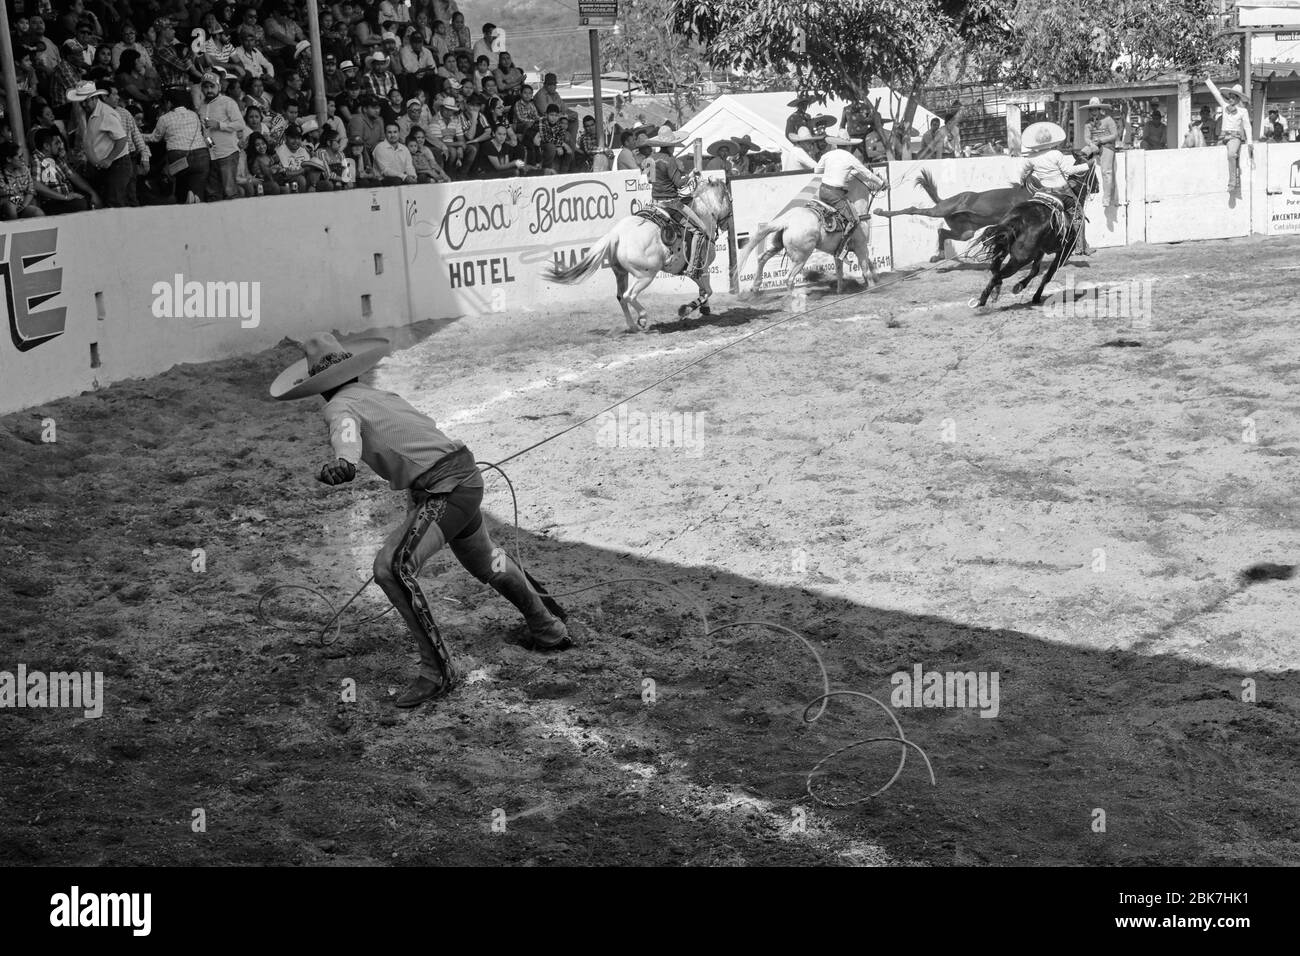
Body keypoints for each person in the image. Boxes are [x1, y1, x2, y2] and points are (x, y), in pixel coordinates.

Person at [270, 333, 570, 708]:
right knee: (484, 559)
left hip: (445, 489)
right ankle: (548, 627)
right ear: (352, 370)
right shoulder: (382, 397)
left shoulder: (338, 407)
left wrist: (344, 462)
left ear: (318, 386)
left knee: (391, 568)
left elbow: (346, 435)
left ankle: (437, 671)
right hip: (460, 479)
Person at [1019, 121, 1094, 255]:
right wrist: (1087, 165)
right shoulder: (1056, 154)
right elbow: (1069, 171)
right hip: (1062, 192)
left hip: (1043, 192)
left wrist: (1022, 180)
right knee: (1078, 215)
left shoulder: (1031, 157)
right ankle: (1079, 247)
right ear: (1050, 140)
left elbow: (1023, 173)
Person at [643, 128, 710, 278]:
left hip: (655, 203)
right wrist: (691, 175)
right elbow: (679, 184)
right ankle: (692, 267)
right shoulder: (670, 160)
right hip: (671, 203)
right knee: (700, 230)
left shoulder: (650, 159)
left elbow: (649, 180)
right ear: (671, 145)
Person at [814, 134, 882, 259]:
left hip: (822, 191)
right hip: (835, 193)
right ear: (849, 147)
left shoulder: (828, 155)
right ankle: (841, 250)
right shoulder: (849, 157)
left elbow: (816, 171)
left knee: (837, 215)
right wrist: (881, 183)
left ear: (837, 144)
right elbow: (866, 173)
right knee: (854, 219)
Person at [69, 80, 132, 207]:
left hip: (117, 164)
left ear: (95, 98)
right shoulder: (86, 113)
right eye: (82, 102)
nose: (84, 105)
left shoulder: (106, 114)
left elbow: (122, 139)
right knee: (104, 199)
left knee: (114, 200)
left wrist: (109, 159)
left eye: (86, 101)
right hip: (101, 166)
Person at [146, 87, 210, 203]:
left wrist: (138, 135)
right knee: (198, 192)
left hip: (179, 157)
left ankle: (183, 202)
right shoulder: (193, 115)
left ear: (169, 103)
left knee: (181, 188)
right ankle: (195, 200)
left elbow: (155, 138)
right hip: (201, 155)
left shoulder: (164, 118)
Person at [196, 71, 247, 201]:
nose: (209, 90)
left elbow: (240, 124)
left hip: (227, 153)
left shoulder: (227, 102)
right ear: (202, 88)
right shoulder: (201, 107)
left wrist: (219, 125)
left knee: (229, 191)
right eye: (205, 87)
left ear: (219, 87)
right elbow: (204, 131)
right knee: (213, 194)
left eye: (212, 86)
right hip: (211, 154)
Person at [30, 126, 99, 214]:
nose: (60, 146)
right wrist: (65, 197)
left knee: (91, 197)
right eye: (56, 143)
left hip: (68, 199)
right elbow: (36, 185)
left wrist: (92, 192)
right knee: (81, 204)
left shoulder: (57, 159)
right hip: (53, 203)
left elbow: (74, 176)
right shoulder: (37, 160)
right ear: (46, 146)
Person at [1081, 96, 1118, 206]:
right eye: (1091, 110)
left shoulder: (1108, 119)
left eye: (1095, 109)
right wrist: (1091, 144)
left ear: (1099, 109)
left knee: (1106, 171)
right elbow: (1086, 137)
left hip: (1107, 146)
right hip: (1094, 145)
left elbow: (1115, 135)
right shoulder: (1087, 123)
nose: (1093, 112)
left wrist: (1101, 140)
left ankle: (1107, 198)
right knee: (1081, 156)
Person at [0, 142, 44, 219]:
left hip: (22, 205)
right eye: (20, 157)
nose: (23, 160)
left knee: (37, 212)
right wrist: (16, 197)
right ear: (9, 159)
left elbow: (31, 191)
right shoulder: (1, 174)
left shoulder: (24, 169)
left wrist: (23, 205)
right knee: (11, 207)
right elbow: (5, 195)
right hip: (4, 210)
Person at [538, 103, 572, 173]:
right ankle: (545, 170)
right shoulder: (542, 121)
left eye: (556, 115)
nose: (554, 117)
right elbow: (545, 138)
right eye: (551, 115)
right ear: (546, 114)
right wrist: (561, 145)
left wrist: (559, 145)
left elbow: (561, 135)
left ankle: (563, 173)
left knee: (569, 151)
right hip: (541, 143)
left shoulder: (558, 122)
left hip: (553, 143)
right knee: (552, 147)